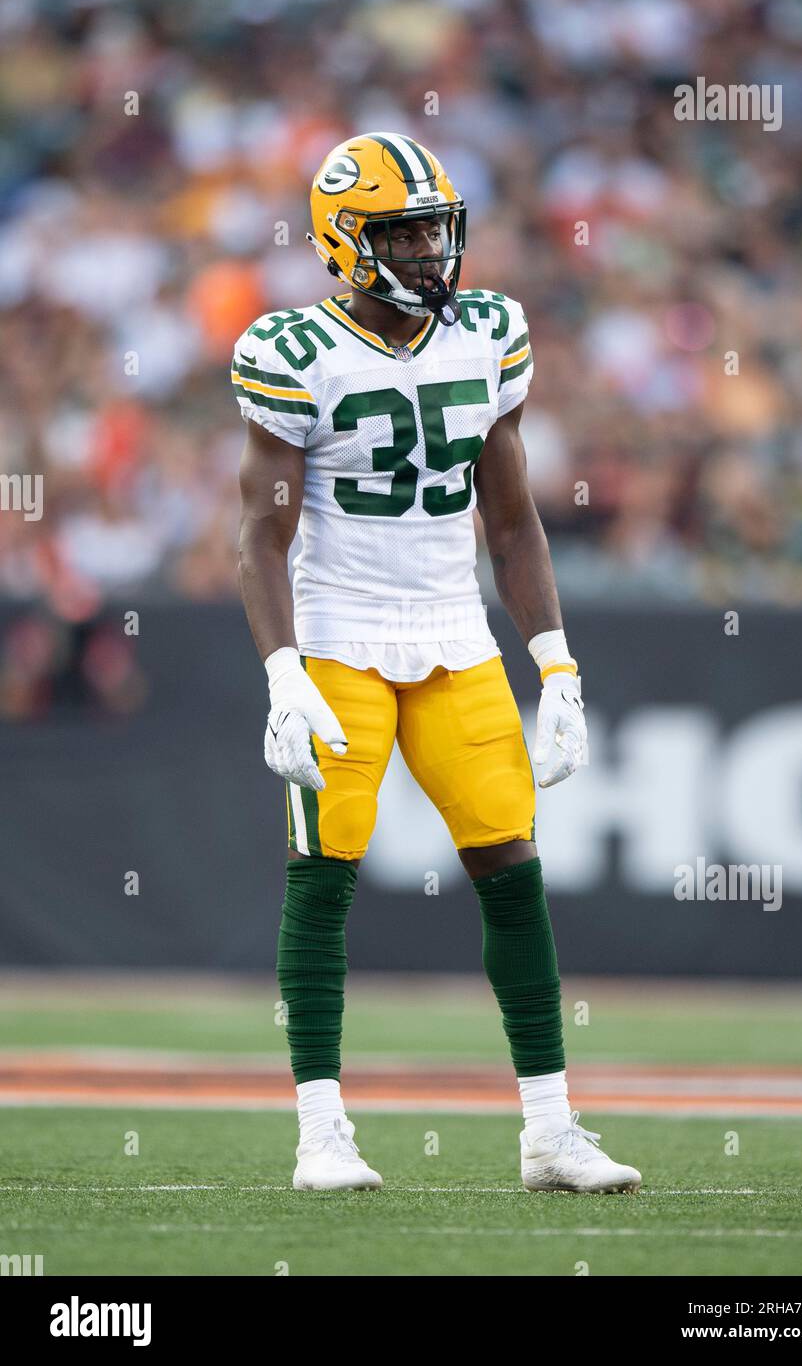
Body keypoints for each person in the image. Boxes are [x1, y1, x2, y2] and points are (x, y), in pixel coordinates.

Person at [233, 132, 641, 1194]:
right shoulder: (292, 351)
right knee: (323, 878)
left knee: (511, 869)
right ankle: (321, 1131)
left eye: (432, 225)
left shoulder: (488, 334)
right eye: (401, 230)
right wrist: (281, 673)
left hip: (453, 634)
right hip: (337, 638)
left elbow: (511, 525)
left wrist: (555, 664)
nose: (426, 248)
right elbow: (259, 537)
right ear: (344, 242)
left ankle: (549, 1130)